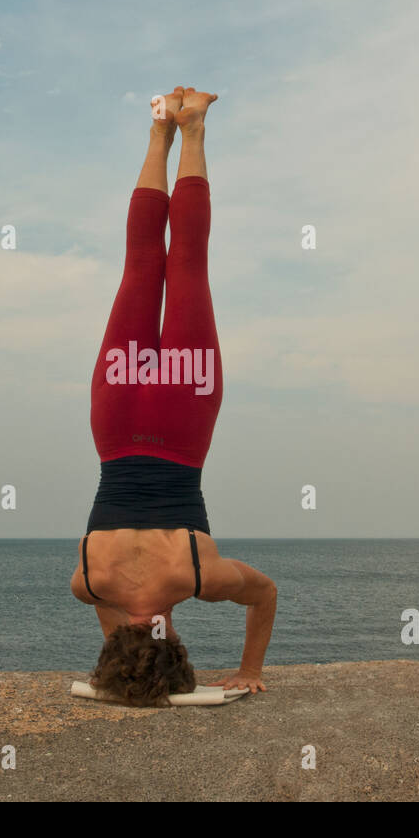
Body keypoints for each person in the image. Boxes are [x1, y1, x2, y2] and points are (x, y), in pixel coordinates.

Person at [71, 86, 278, 706]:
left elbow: (265, 594)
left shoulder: (200, 578)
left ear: (173, 643)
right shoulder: (90, 586)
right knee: (140, 266)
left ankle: (194, 128)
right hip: (117, 416)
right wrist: (116, 682)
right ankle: (160, 128)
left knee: (186, 265)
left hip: (183, 417)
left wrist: (248, 670)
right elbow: (121, 628)